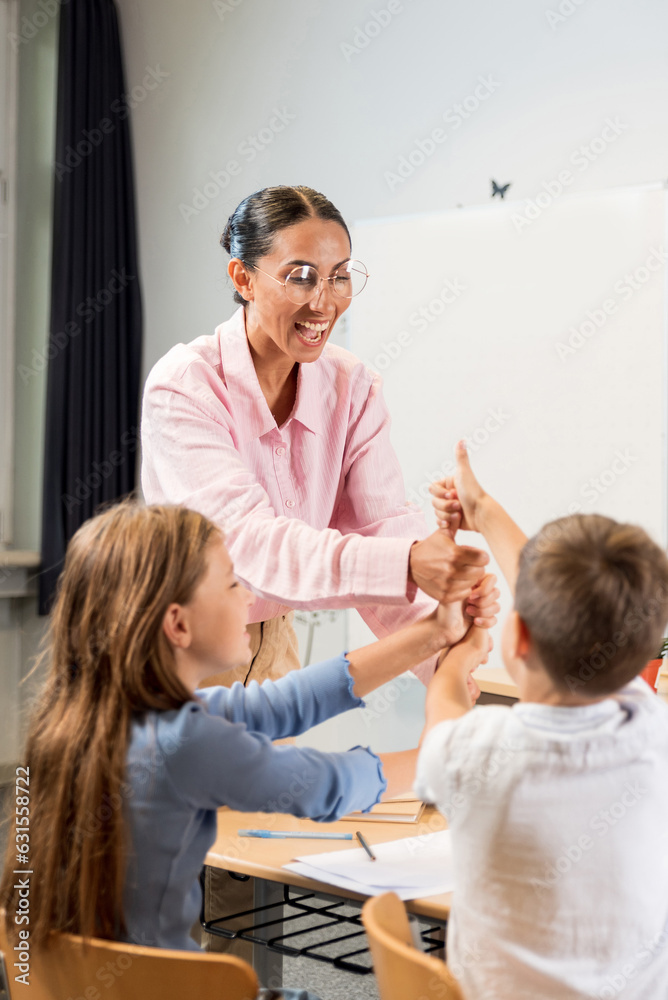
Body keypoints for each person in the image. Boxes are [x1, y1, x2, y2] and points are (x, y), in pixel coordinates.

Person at [0, 502, 497, 1000]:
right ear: (178, 625)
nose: (251, 596)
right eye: (234, 583)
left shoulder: (79, 720)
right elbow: (328, 786)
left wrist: (435, 633)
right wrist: (450, 688)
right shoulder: (186, 740)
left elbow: (286, 702)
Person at [140, 184, 492, 694]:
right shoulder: (187, 384)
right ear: (244, 277)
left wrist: (448, 645)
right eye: (301, 277)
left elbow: (383, 525)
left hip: (274, 640)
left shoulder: (353, 388)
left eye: (340, 276)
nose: (325, 302)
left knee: (278, 773)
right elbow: (243, 544)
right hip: (178, 644)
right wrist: (411, 565)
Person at [416, 442, 668, 1000]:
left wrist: (457, 656)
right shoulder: (653, 730)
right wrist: (480, 509)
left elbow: (443, 713)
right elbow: (583, 610)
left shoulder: (477, 751)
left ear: (520, 637)